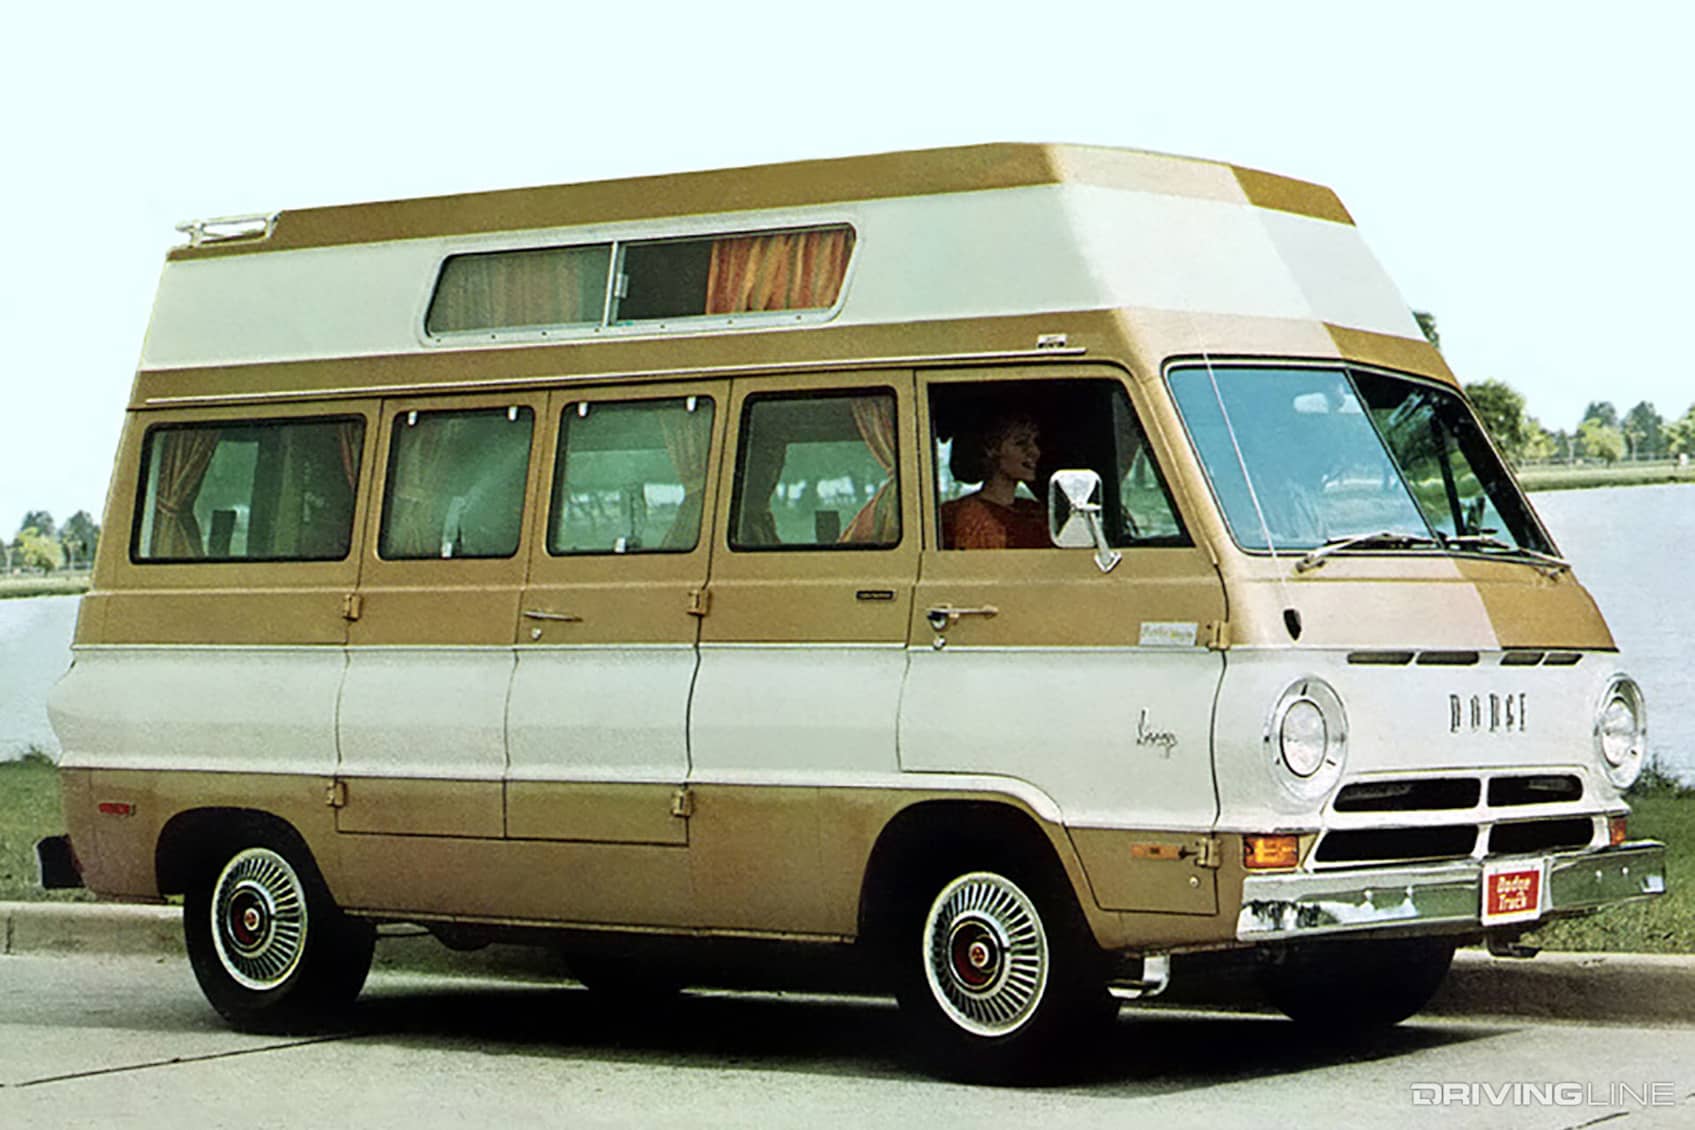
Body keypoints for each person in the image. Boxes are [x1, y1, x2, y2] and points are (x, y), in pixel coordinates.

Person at [940, 411, 1051, 549]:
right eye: (1020, 443)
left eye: (1034, 442)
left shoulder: (1034, 510)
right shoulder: (972, 516)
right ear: (990, 450)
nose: (1035, 452)